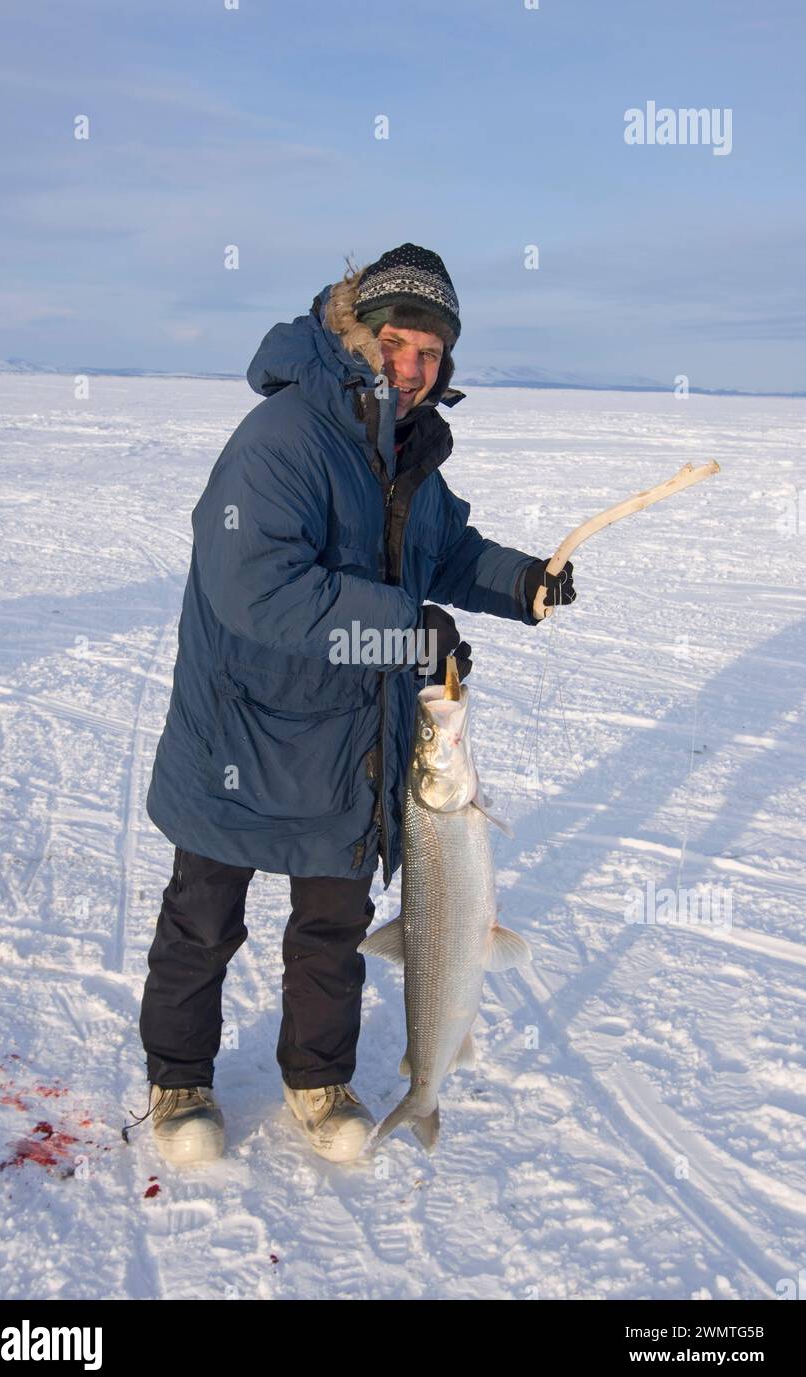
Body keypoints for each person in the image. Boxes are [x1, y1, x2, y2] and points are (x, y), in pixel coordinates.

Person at [129, 243, 576, 1165]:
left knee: (330, 929)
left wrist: (521, 581)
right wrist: (405, 633)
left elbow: (444, 549)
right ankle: (179, 1082)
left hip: (352, 746)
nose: (412, 369)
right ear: (358, 335)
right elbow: (256, 588)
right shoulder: (285, 437)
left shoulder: (404, 447)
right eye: (398, 343)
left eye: (430, 353)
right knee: (203, 923)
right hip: (241, 734)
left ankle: (317, 1079)